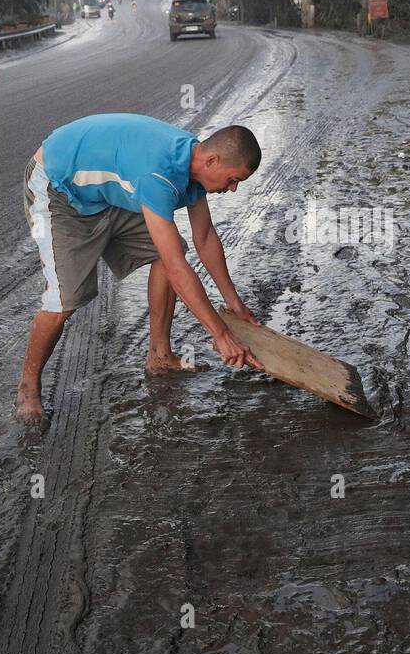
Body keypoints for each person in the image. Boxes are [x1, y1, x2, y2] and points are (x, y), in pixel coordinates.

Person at [16, 113, 263, 426]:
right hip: (58, 189)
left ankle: (159, 357)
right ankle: (28, 387)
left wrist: (235, 303)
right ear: (213, 160)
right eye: (233, 180)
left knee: (168, 253)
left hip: (105, 197)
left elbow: (205, 237)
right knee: (65, 298)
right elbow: (177, 268)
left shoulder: (195, 167)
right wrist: (221, 335)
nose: (232, 189)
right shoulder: (158, 174)